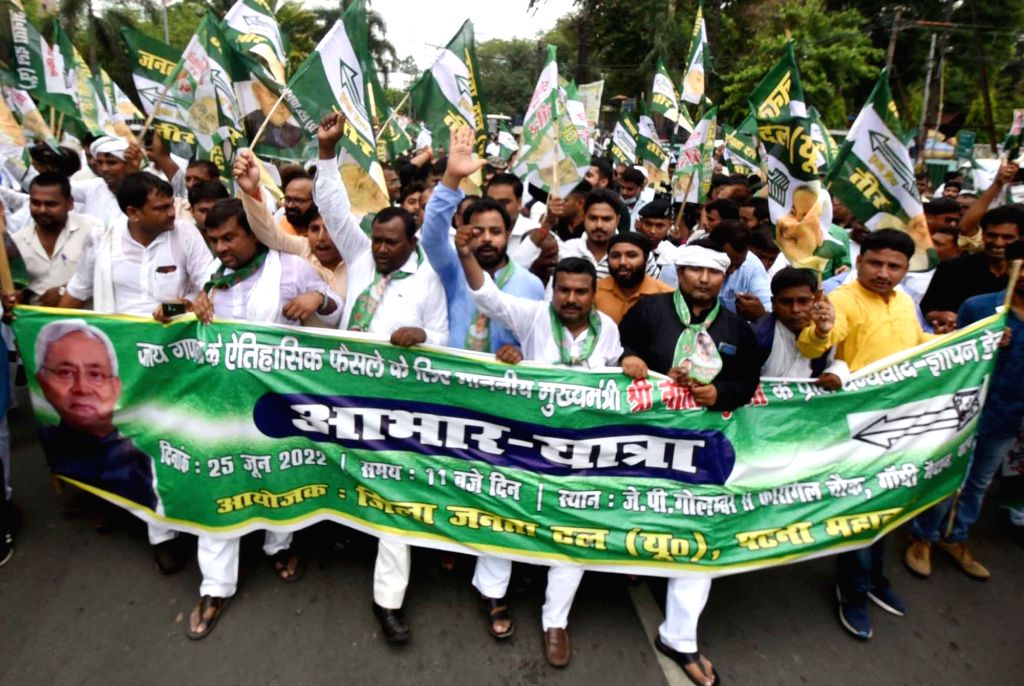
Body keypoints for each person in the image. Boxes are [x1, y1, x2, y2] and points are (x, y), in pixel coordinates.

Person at [168, 196, 340, 640]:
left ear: (253, 233)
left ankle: (277, 547)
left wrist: (316, 297)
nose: (222, 247)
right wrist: (187, 310)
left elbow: (338, 310)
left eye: (231, 237)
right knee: (221, 485)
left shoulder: (290, 266)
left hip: (278, 406)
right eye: (214, 238)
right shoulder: (213, 280)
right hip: (221, 406)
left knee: (278, 478)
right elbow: (183, 319)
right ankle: (215, 585)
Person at [315, 113, 448, 645]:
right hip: (342, 394)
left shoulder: (429, 281)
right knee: (336, 472)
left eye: (392, 242)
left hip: (398, 405)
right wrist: (328, 152)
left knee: (394, 495)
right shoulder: (362, 258)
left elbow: (445, 346)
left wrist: (422, 337)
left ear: (411, 240)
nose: (381, 249)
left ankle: (388, 602)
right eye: (377, 240)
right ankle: (342, 536)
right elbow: (330, 205)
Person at [456, 243, 622, 667]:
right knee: (506, 516)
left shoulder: (608, 330)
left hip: (582, 454)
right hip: (525, 444)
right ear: (552, 291)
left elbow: (616, 379)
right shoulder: (533, 316)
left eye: (580, 292)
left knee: (572, 533)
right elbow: (487, 296)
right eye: (563, 290)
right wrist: (466, 255)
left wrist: (632, 364)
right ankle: (493, 597)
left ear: (593, 292)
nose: (570, 299)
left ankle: (556, 621)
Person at [57, 171, 216, 575]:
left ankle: (194, 517)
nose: (171, 213)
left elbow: (211, 287)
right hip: (122, 364)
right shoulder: (103, 241)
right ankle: (160, 533)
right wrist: (34, 320)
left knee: (181, 441)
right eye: (161, 207)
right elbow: (75, 295)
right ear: (132, 212)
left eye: (170, 204)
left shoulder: (184, 236)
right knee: (139, 444)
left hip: (178, 361)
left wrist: (187, 305)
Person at [618, 243, 760, 686]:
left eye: (712, 272)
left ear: (725, 277)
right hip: (641, 446)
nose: (702, 279)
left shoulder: (738, 327)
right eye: (693, 270)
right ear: (679, 272)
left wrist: (721, 393)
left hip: (702, 453)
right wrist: (628, 359)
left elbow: (748, 380)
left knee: (697, 536)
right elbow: (619, 347)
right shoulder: (648, 311)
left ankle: (679, 638)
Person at [797, 229, 933, 640]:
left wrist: (960, 341)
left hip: (900, 424)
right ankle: (852, 589)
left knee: (888, 504)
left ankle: (875, 578)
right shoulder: (842, 301)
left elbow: (917, 344)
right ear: (859, 262)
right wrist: (820, 331)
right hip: (855, 428)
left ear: (907, 269)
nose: (884, 273)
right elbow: (812, 345)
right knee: (859, 511)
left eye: (894, 266)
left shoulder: (906, 301)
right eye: (876, 263)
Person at [906, 242, 1024, 581]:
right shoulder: (980, 307)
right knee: (948, 476)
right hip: (964, 410)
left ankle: (956, 538)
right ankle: (922, 536)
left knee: (979, 483)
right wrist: (984, 341)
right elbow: (953, 357)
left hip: (1008, 416)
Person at [422, 126, 544, 354]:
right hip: (452, 380)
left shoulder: (531, 285)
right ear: (464, 229)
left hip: (503, 384)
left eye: (495, 232)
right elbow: (431, 236)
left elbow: (538, 341)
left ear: (508, 234)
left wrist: (519, 352)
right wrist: (452, 178)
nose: (487, 239)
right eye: (478, 231)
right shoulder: (452, 269)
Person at [34, 320, 158, 510]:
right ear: (42, 381)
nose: (82, 388)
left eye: (96, 374)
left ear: (116, 386)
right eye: (65, 373)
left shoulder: (147, 453)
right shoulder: (50, 441)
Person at [233, 149, 347, 304]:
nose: (321, 237)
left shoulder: (357, 258)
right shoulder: (303, 248)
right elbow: (270, 234)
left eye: (329, 229)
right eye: (314, 229)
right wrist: (252, 191)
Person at [920, 206, 1023, 333]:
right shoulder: (953, 269)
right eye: (992, 235)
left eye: (1007, 237)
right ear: (982, 234)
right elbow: (929, 309)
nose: (998, 243)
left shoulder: (1020, 276)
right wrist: (944, 317)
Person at [10, 173, 102, 306]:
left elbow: (106, 275)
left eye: (50, 204)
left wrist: (63, 291)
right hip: (37, 322)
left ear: (70, 203)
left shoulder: (92, 229)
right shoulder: (17, 242)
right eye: (35, 203)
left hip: (87, 321)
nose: (42, 210)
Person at [755, 267, 847, 389]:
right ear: (773, 303)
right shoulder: (758, 336)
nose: (795, 309)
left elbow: (840, 362)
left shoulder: (827, 328)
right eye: (786, 302)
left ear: (816, 300)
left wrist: (837, 373)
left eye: (803, 301)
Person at [595, 233, 674, 324]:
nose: (622, 262)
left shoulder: (666, 296)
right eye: (615, 256)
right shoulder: (594, 292)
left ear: (646, 258)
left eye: (631, 255)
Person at [707, 220, 772, 320]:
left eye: (737, 266)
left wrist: (761, 313)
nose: (732, 270)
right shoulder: (685, 261)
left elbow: (768, 308)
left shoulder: (752, 264)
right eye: (727, 265)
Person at [559, 188, 622, 279]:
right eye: (593, 218)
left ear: (618, 220)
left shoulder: (634, 253)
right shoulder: (566, 250)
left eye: (606, 219)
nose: (599, 225)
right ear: (583, 218)